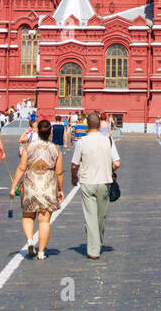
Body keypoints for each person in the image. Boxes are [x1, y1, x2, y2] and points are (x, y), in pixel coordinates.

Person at [10, 118, 64, 259]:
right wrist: (60, 190)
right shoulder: (56, 148)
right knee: (44, 220)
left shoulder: (28, 147)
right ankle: (41, 252)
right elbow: (59, 172)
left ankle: (29, 241)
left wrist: (14, 186)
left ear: (38, 131)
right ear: (50, 132)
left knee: (28, 215)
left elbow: (22, 168)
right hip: (48, 184)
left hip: (30, 183)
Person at [71, 110, 120, 259]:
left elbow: (74, 165)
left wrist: (74, 178)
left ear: (87, 126)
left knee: (91, 216)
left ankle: (94, 246)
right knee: (101, 217)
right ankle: (95, 246)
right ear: (99, 125)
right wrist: (108, 168)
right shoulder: (108, 141)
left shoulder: (81, 142)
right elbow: (116, 163)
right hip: (104, 182)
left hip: (87, 182)